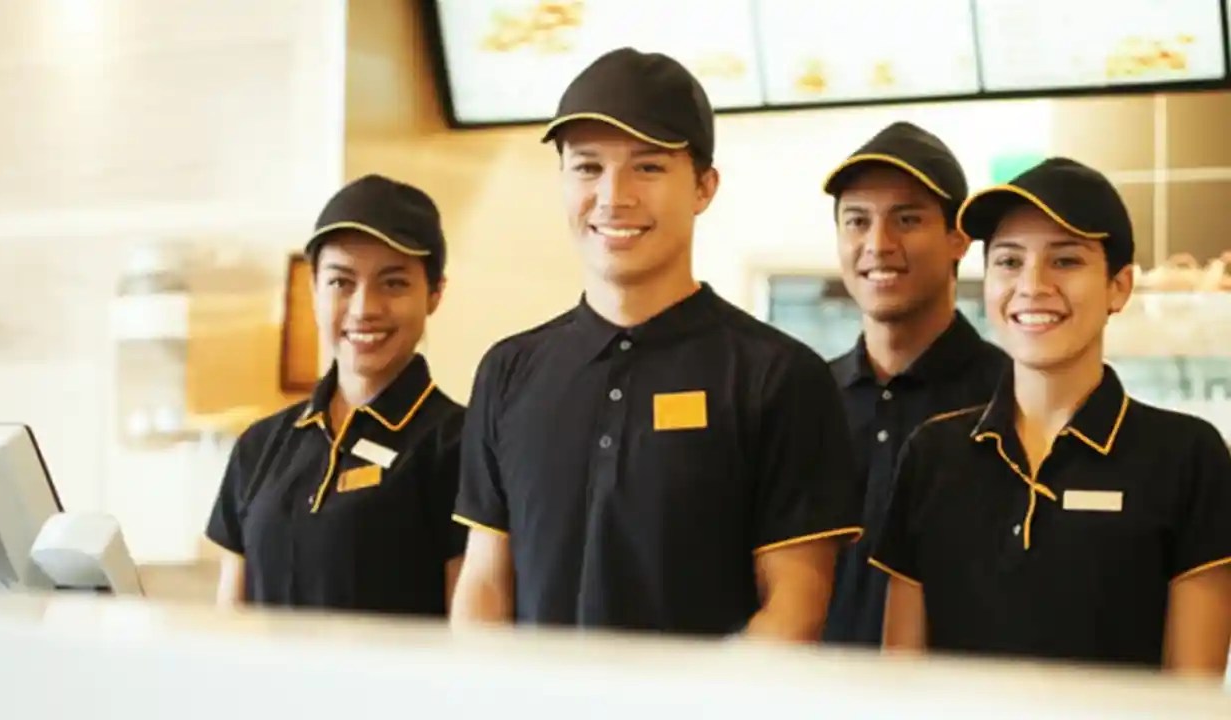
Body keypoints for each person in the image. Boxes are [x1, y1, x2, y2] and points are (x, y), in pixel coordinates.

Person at [449, 47, 863, 641]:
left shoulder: (777, 376)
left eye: (647, 167)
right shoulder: (509, 371)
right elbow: (485, 583)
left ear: (704, 187)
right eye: (588, 168)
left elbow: (797, 602)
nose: (613, 197)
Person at [872, 158, 1231, 676]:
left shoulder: (1187, 456)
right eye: (1009, 261)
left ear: (1119, 286)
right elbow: (902, 681)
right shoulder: (933, 453)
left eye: (1065, 261)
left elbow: (1189, 693)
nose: (1032, 285)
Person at [206, 174, 467, 616]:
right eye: (341, 282)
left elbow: (472, 632)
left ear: (435, 293)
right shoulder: (260, 445)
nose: (365, 309)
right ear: (313, 291)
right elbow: (230, 621)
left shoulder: (461, 446)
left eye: (393, 283)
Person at [819, 122, 1006, 646]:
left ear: (957, 241)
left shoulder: (1010, 403)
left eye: (907, 219)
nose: (879, 245)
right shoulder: (804, 399)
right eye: (857, 221)